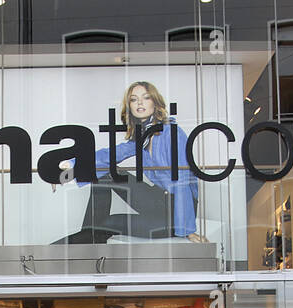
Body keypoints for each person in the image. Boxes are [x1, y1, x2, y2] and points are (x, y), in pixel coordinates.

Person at [58, 81, 205, 244]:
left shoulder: (171, 132)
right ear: (129, 106)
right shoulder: (143, 136)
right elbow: (110, 155)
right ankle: (83, 247)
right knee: (107, 181)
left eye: (146, 98)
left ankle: (73, 249)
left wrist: (187, 230)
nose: (140, 102)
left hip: (175, 213)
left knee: (101, 225)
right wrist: (72, 166)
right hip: (158, 203)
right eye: (134, 99)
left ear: (155, 104)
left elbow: (182, 181)